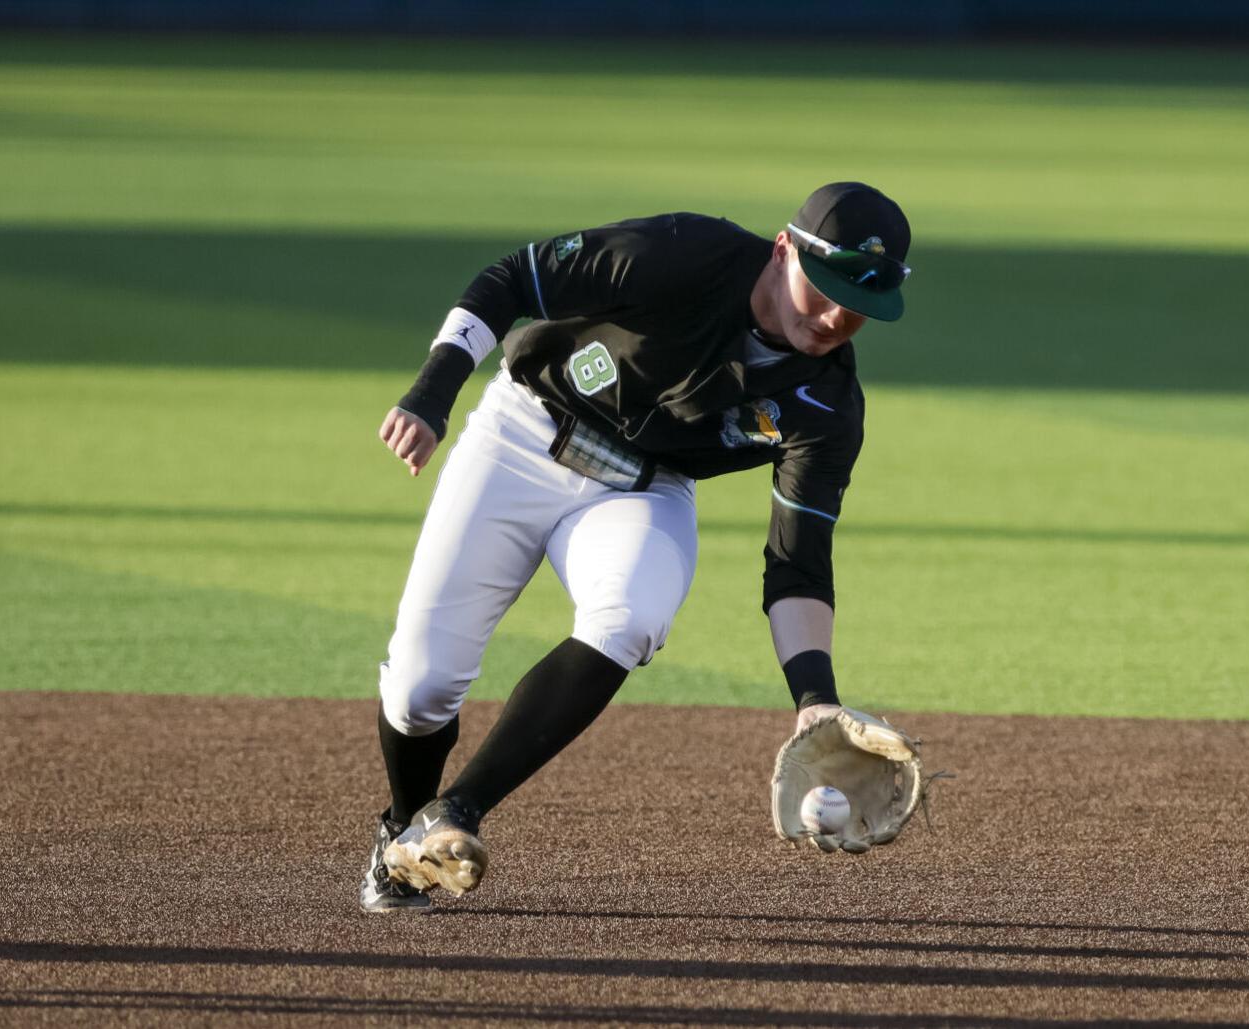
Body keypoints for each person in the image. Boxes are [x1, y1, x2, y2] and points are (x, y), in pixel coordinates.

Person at [358, 182, 912, 913]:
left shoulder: (827, 404)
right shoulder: (684, 253)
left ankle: (456, 811)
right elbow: (514, 277)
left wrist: (817, 701)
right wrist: (433, 392)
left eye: (861, 305)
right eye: (829, 288)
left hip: (645, 490)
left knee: (631, 616)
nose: (839, 317)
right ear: (784, 251)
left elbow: (798, 563)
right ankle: (403, 831)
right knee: (419, 690)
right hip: (521, 436)